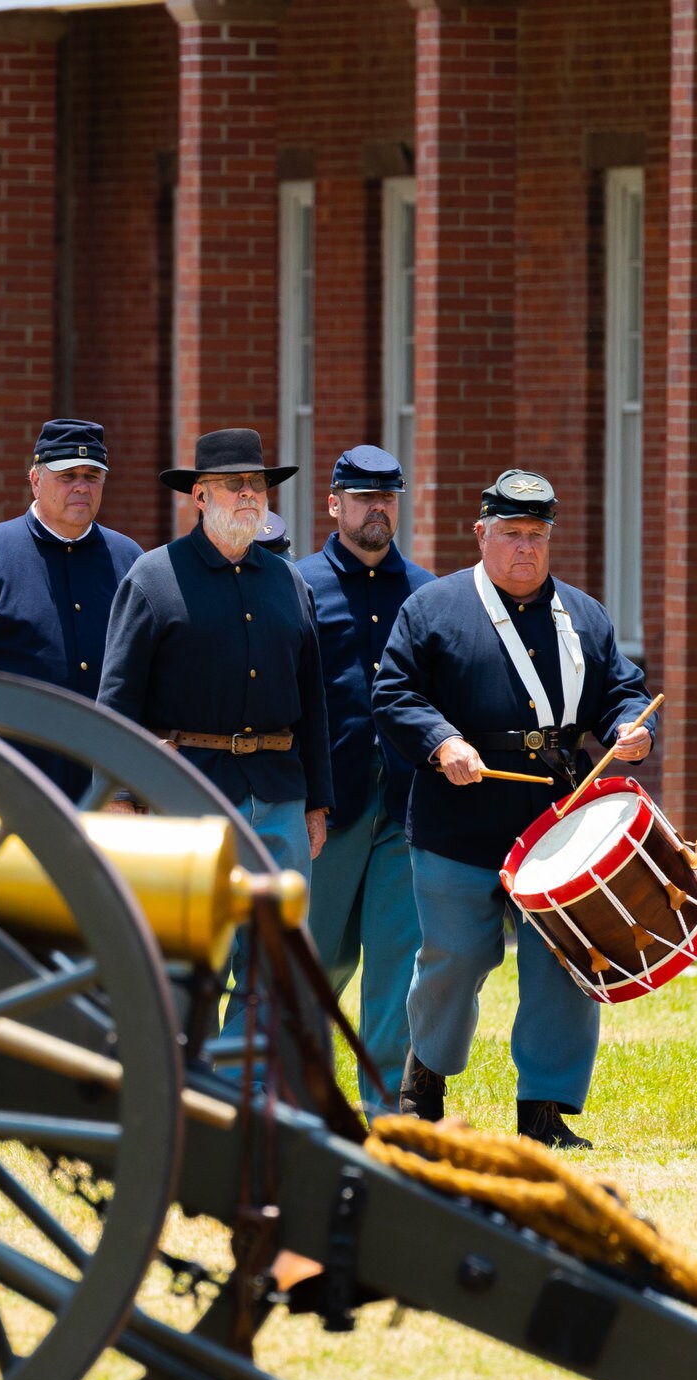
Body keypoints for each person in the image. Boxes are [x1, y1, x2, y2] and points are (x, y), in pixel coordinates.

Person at [372, 470, 654, 1149]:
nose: (524, 549)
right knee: (454, 960)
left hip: (560, 824)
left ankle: (545, 1112)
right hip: (458, 822)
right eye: (511, 535)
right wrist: (442, 743)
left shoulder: (583, 616)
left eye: (536, 536)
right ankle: (424, 1088)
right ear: (481, 534)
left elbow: (622, 690)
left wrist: (626, 728)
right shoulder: (433, 609)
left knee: (564, 963)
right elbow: (394, 694)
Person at [99, 427, 333, 1057]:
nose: (249, 497)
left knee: (276, 959)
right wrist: (118, 793)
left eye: (257, 485)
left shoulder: (289, 582)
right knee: (193, 959)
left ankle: (245, 1092)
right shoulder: (153, 578)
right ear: (199, 496)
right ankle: (182, 1085)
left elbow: (313, 699)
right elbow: (116, 699)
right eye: (235, 486)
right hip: (189, 795)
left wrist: (318, 801)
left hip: (280, 797)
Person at [295, 446, 434, 1116]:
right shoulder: (296, 586)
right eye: (361, 497)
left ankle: (389, 1108)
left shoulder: (430, 594)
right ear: (334, 504)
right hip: (326, 805)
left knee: (398, 967)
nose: (376, 509)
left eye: (387, 497)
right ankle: (304, 1100)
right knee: (316, 962)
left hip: (407, 806)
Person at [0, 419, 142, 798]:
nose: (81, 486)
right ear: (35, 480)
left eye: (92, 475)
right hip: (8, 785)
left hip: (107, 790)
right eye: (66, 475)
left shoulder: (130, 562)